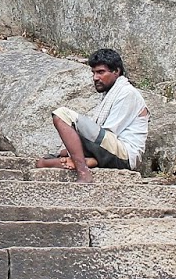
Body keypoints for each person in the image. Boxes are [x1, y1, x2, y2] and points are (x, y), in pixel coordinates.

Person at [34, 48, 149, 183]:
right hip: (110, 150)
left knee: (61, 115)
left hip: (125, 155)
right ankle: (89, 161)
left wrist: (76, 150)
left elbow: (109, 133)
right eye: (93, 73)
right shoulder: (111, 94)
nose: (95, 78)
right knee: (46, 160)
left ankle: (82, 171)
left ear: (116, 72)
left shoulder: (127, 93)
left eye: (101, 72)